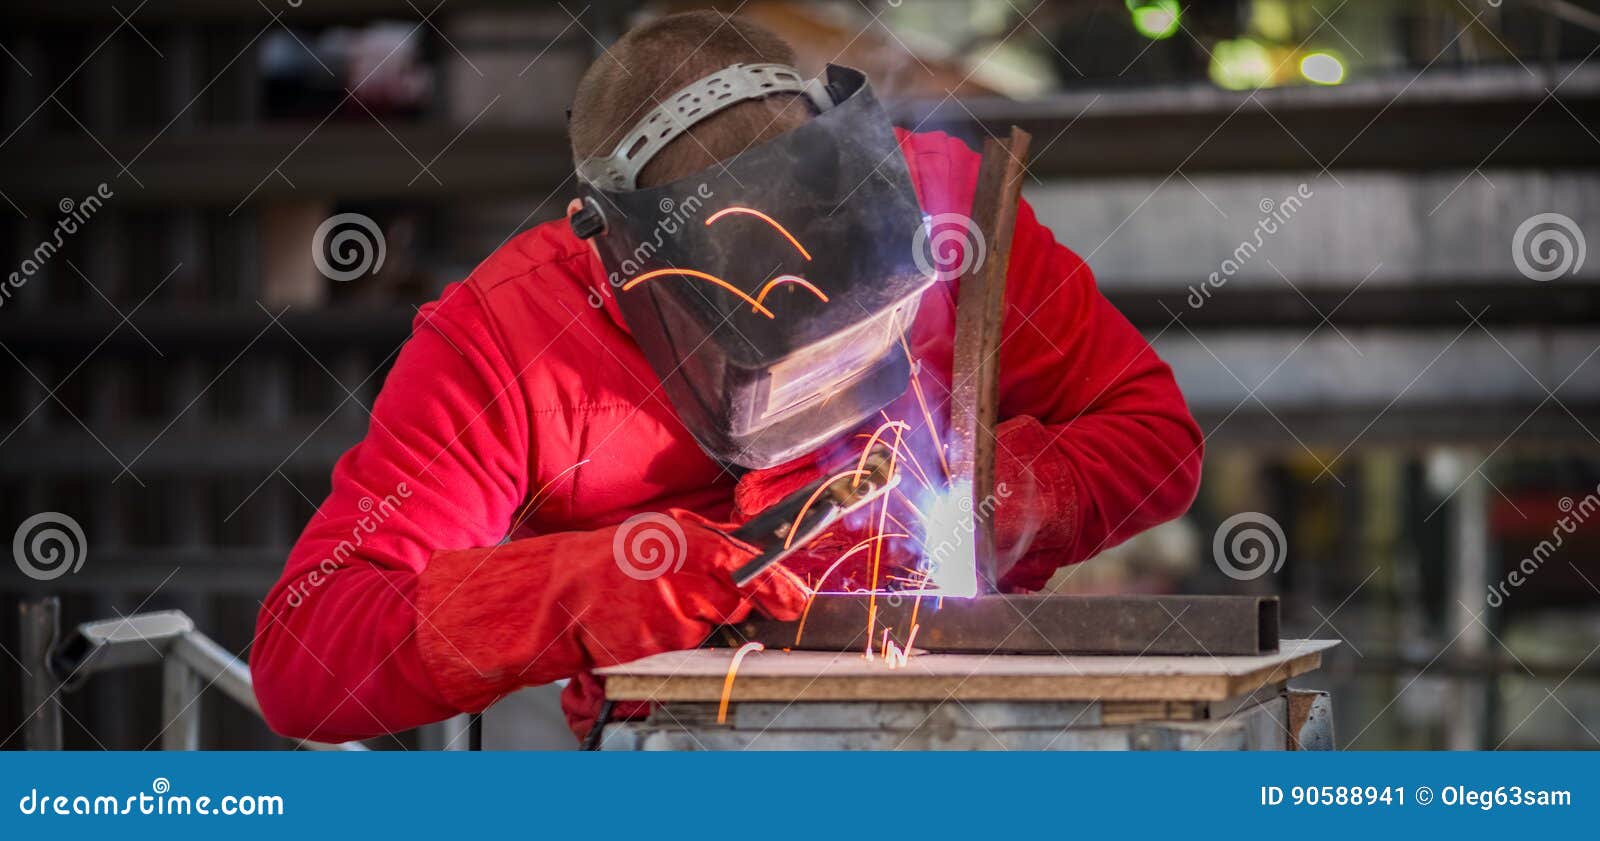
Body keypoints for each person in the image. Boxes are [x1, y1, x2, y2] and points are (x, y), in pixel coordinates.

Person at [250, 11, 1203, 744]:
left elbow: (1154, 436)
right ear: (631, 267)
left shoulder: (944, 216)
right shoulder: (505, 340)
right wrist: (593, 586)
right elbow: (308, 650)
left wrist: (993, 497)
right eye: (779, 362)